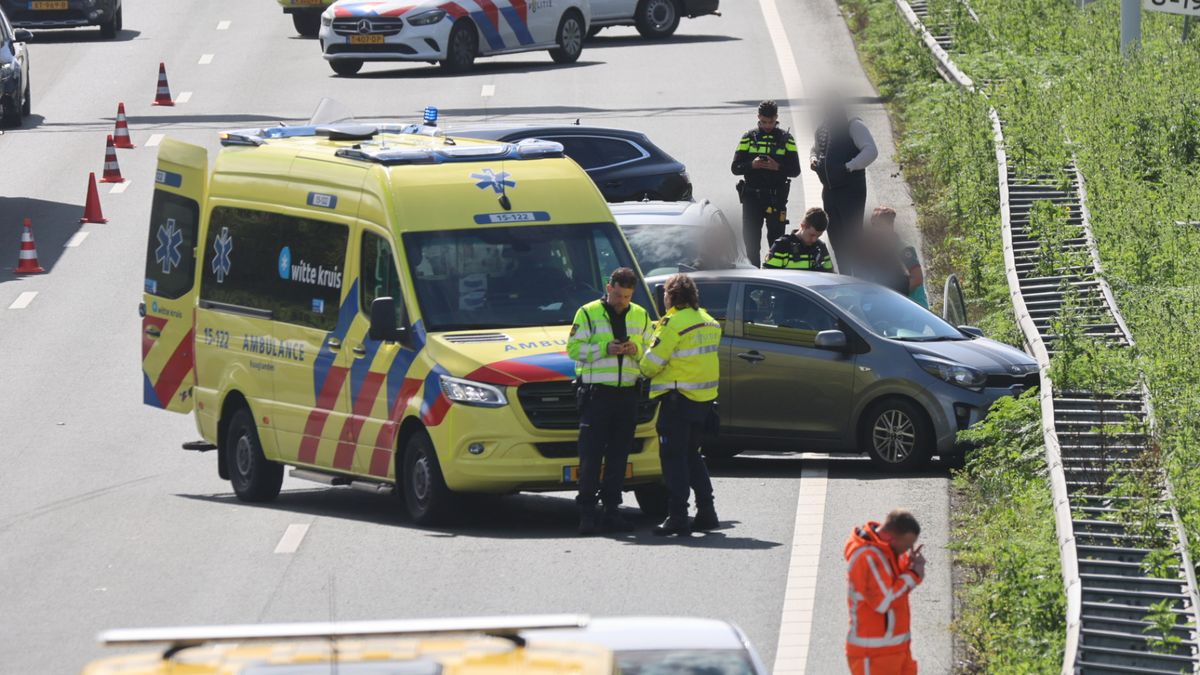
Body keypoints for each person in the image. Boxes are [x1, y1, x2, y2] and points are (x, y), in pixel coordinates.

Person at [566, 267, 654, 535]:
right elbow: (572, 349)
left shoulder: (640, 314)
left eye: (627, 296)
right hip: (597, 395)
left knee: (618, 456)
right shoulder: (588, 312)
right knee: (591, 457)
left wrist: (635, 349)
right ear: (608, 287)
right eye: (618, 295)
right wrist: (604, 348)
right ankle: (587, 514)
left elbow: (651, 348)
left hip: (627, 394)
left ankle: (613, 511)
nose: (622, 301)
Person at [639, 274, 722, 536]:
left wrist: (640, 364)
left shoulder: (673, 323)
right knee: (692, 455)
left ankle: (677, 516)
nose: (663, 299)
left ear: (672, 296)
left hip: (678, 400)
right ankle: (707, 512)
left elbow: (651, 363)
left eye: (665, 294)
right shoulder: (708, 321)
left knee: (673, 459)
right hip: (704, 401)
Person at [845, 509, 927, 675]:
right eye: (906, 545)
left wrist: (909, 566)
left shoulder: (887, 552)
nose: (907, 550)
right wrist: (914, 574)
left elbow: (893, 582)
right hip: (873, 655)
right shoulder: (867, 557)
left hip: (895, 650)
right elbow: (884, 602)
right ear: (890, 537)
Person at [731, 100, 802, 266]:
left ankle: (773, 277)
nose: (767, 125)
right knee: (751, 243)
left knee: (777, 244)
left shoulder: (786, 139)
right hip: (752, 198)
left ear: (777, 118)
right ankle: (754, 276)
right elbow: (735, 168)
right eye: (764, 122)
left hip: (776, 198)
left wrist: (778, 167)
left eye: (771, 122)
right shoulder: (748, 137)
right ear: (758, 118)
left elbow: (795, 170)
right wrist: (751, 165)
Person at [810, 101, 878, 275]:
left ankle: (862, 278)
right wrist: (813, 159)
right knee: (836, 237)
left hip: (851, 189)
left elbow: (871, 150)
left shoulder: (854, 126)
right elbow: (815, 148)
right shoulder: (823, 129)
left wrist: (850, 166)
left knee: (853, 236)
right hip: (830, 190)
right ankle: (846, 277)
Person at [856, 207, 928, 307]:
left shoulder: (903, 249)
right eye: (873, 224)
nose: (875, 229)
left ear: (890, 225)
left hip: (912, 306)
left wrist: (895, 295)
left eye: (879, 225)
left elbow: (917, 278)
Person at [762, 207, 835, 272]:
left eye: (818, 236)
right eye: (812, 235)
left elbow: (830, 277)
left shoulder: (821, 247)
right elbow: (768, 279)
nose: (814, 240)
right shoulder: (781, 247)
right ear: (802, 226)